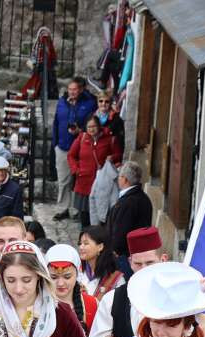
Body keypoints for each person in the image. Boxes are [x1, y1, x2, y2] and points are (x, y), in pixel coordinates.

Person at [52, 79, 96, 220]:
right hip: (63, 146)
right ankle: (63, 208)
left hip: (81, 147)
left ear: (80, 90)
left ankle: (77, 209)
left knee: (79, 179)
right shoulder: (62, 102)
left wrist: (80, 130)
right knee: (63, 180)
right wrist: (55, 144)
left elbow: (92, 124)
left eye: (75, 89)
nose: (72, 92)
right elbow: (56, 123)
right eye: (70, 89)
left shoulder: (88, 103)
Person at [68, 116, 122, 227]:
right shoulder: (82, 138)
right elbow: (71, 155)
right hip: (84, 182)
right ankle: (85, 238)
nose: (91, 129)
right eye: (89, 127)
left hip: (102, 183)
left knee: (101, 212)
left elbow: (119, 155)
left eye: (94, 126)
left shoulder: (109, 139)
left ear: (99, 126)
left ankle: (97, 238)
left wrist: (112, 157)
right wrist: (76, 170)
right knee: (85, 215)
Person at [106, 161, 154, 278]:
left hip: (125, 257)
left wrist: (113, 251)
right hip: (136, 254)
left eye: (120, 176)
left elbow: (120, 232)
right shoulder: (143, 198)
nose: (118, 179)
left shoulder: (128, 202)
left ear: (125, 179)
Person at [78, 225, 123, 299]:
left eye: (86, 243)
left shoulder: (116, 279)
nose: (81, 247)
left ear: (100, 247)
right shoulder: (77, 270)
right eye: (80, 243)